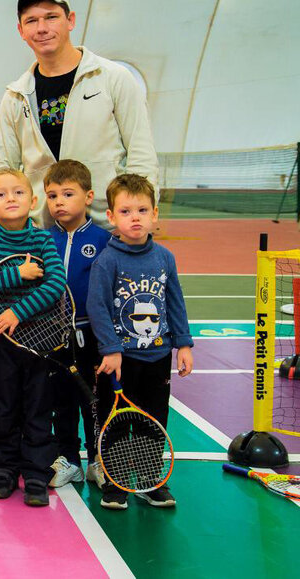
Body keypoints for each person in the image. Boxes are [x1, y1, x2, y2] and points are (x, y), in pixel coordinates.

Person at [0, 0, 159, 227]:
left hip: (108, 230)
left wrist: (137, 221)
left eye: (51, 17)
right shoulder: (15, 96)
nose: (42, 28)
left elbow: (141, 153)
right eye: (31, 21)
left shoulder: (114, 78)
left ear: (70, 20)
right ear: (21, 30)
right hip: (44, 235)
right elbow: (3, 171)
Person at [87, 174, 194, 510]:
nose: (135, 217)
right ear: (112, 217)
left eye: (142, 210)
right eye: (126, 210)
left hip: (157, 358)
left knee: (153, 421)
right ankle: (116, 483)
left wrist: (184, 344)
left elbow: (175, 301)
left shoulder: (164, 258)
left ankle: (150, 480)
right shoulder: (108, 260)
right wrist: (111, 349)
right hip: (120, 360)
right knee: (115, 421)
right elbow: (97, 307)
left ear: (155, 214)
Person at [0, 168, 65, 507]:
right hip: (0, 346)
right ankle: (6, 466)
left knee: (39, 406)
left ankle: (36, 471)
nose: (10, 198)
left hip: (39, 343)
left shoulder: (42, 240)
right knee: (5, 404)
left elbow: (55, 284)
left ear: (33, 200)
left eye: (18, 192)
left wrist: (18, 312)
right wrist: (19, 274)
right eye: (1, 194)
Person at [42, 160, 111, 489]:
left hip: (93, 337)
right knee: (62, 399)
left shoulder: (103, 240)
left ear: (88, 197)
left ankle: (99, 458)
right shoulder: (43, 240)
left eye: (68, 194)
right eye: (52, 195)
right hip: (56, 337)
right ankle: (68, 457)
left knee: (95, 399)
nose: (59, 201)